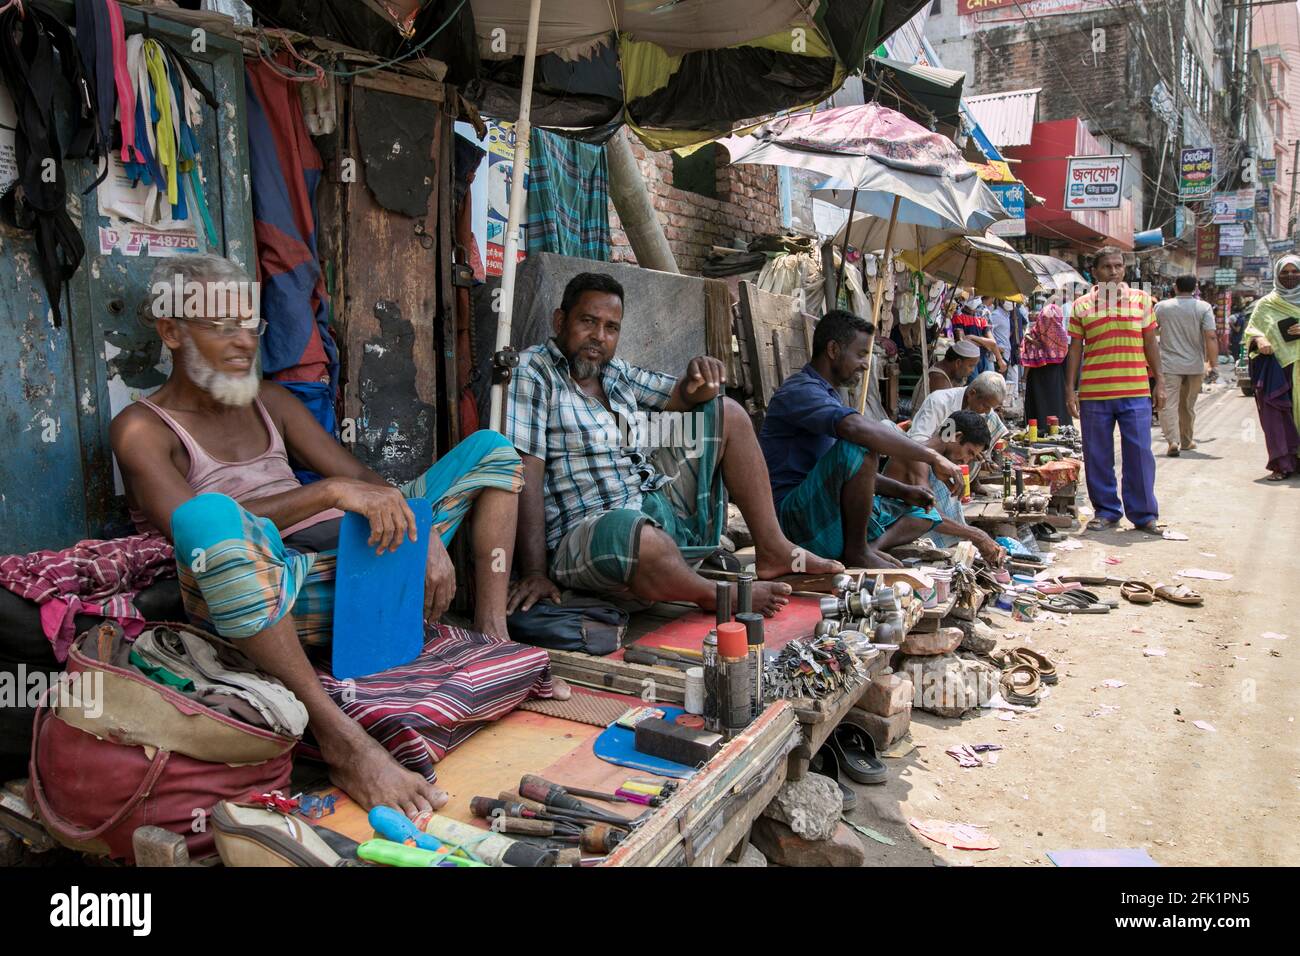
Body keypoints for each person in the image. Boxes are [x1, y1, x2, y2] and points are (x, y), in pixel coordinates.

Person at [112, 256, 559, 816]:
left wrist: (421, 532)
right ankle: (343, 741)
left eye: (250, 325)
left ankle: (495, 640)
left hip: (362, 575)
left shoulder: (270, 401)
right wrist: (325, 494)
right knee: (209, 519)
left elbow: (364, 482)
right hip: (268, 602)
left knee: (491, 449)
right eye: (221, 325)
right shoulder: (141, 428)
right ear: (171, 330)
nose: (243, 341)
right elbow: (186, 531)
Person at [505, 273, 841, 619]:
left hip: (649, 506)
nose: (599, 337)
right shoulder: (534, 372)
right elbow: (525, 472)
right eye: (588, 322)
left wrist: (702, 377)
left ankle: (773, 549)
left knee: (728, 413)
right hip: (586, 531)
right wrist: (534, 572)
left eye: (611, 327)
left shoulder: (614, 372)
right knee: (637, 535)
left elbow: (683, 395)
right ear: (561, 320)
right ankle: (714, 594)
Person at [759, 310, 964, 569]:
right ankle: (858, 551)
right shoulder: (800, 391)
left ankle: (869, 547)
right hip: (795, 521)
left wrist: (905, 492)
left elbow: (855, 473)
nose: (866, 364)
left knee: (925, 512)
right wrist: (932, 456)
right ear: (833, 349)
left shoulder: (830, 395)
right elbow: (857, 433)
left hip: (825, 509)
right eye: (861, 355)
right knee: (863, 442)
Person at [1064, 246, 1162, 533]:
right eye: (1107, 267)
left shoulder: (1142, 301)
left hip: (1135, 390)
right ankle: (1106, 511)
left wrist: (1161, 382)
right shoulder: (1081, 306)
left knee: (1140, 454)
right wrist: (1070, 390)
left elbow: (1151, 344)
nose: (1114, 271)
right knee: (1097, 455)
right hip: (1094, 393)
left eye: (1118, 266)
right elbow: (1074, 351)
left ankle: (1144, 515)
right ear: (1095, 272)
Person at [879, 410, 1007, 565]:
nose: (966, 460)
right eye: (969, 452)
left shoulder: (940, 461)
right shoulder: (918, 457)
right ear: (958, 437)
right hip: (888, 534)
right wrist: (977, 535)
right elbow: (928, 513)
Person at [1243, 255, 1300, 480]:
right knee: (1276, 416)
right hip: (1280, 369)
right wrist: (1259, 339)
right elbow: (1252, 330)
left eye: (1294, 271)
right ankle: (1282, 463)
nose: (1290, 276)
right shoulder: (1267, 303)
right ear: (1277, 275)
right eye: (1284, 272)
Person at [1154, 275, 1217, 456]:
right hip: (1195, 365)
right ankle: (1187, 441)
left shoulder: (1162, 307)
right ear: (1195, 288)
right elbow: (1211, 336)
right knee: (1188, 405)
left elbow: (1152, 331)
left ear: (1175, 287)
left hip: (1169, 365)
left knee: (1168, 404)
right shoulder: (1203, 307)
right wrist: (1213, 364)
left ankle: (1173, 441)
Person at [909, 371, 1010, 447]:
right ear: (972, 393)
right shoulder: (939, 401)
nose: (988, 411)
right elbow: (918, 441)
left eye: (991, 407)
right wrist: (945, 447)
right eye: (985, 406)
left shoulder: (985, 413)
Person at [1021, 295, 1072, 427]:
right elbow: (1067, 362)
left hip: (1036, 378)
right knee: (1057, 406)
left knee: (1038, 409)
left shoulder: (1034, 335)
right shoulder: (1062, 338)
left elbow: (1028, 361)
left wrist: (1024, 377)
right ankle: (1059, 428)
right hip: (1057, 379)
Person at [910, 338, 980, 408]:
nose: (972, 370)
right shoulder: (939, 379)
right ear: (958, 363)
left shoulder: (951, 374)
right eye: (971, 366)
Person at [951, 296, 1004, 379]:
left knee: (988, 385)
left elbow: (993, 343)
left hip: (984, 358)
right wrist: (985, 343)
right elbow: (962, 341)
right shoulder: (958, 317)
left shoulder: (981, 319)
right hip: (969, 359)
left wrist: (972, 337)